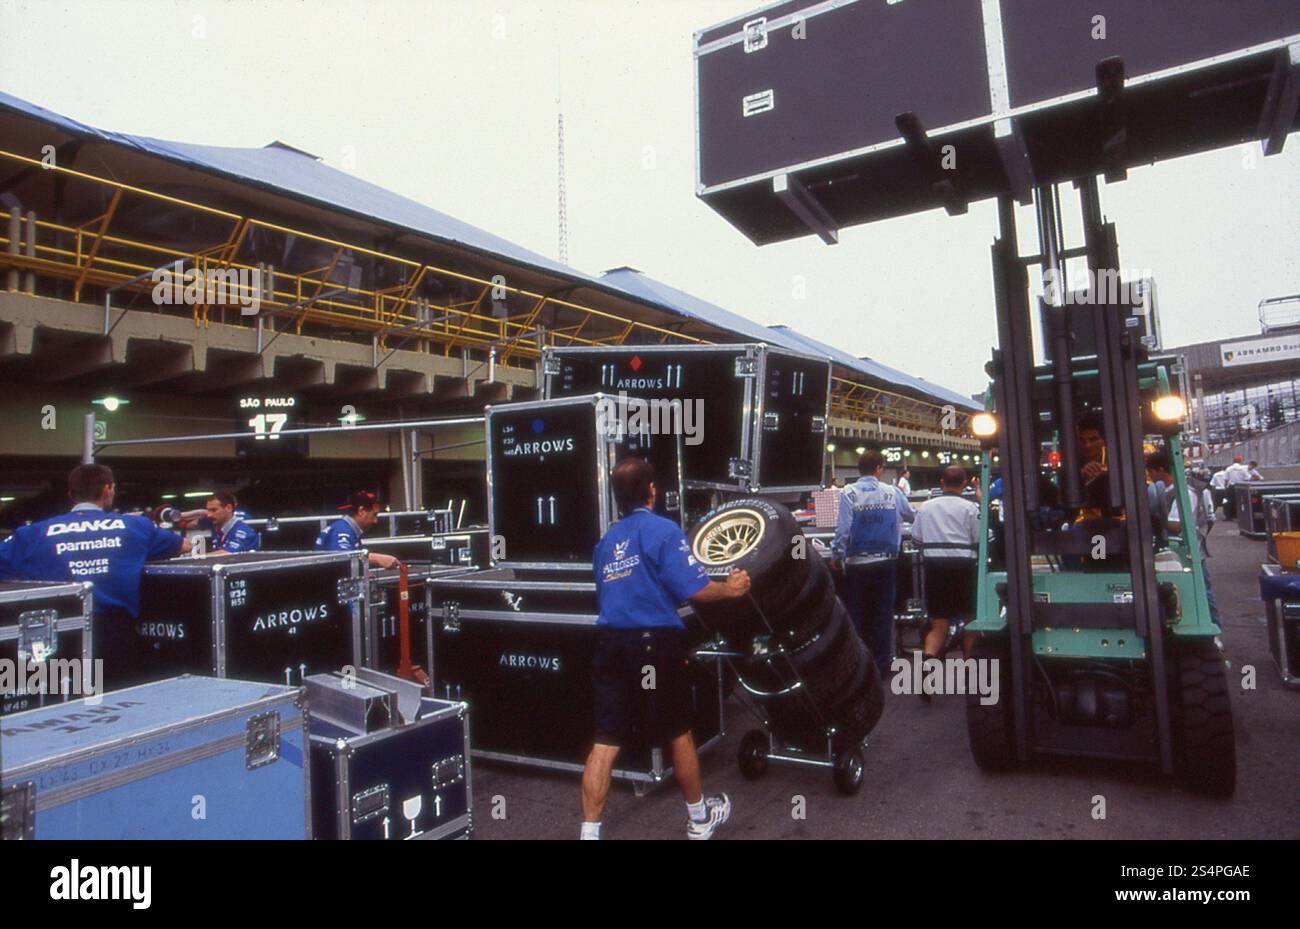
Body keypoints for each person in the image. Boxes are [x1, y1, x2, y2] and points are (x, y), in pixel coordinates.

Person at [580, 458, 750, 841]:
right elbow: (696, 589)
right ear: (652, 491)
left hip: (611, 645)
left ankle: (589, 834)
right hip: (654, 646)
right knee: (678, 732)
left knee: (605, 742)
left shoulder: (605, 543)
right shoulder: (664, 531)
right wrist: (731, 588)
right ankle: (699, 819)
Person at [0, 464, 189, 688]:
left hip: (59, 641)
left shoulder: (32, 533)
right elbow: (184, 546)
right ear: (108, 490)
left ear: (71, 494)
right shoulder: (135, 526)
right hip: (117, 638)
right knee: (121, 701)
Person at [831, 449, 915, 677]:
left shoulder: (848, 492)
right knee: (882, 613)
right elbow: (910, 515)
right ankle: (881, 665)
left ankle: (856, 664)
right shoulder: (892, 492)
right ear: (879, 468)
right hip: (886, 563)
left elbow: (844, 529)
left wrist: (836, 554)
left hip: (857, 563)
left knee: (856, 613)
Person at [910, 466, 981, 701]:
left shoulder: (926, 507)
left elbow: (917, 538)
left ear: (941, 483)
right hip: (964, 568)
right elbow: (981, 538)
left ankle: (929, 660)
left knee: (938, 624)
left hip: (935, 568)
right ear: (964, 484)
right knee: (972, 620)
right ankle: (971, 676)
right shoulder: (971, 508)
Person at [1167, 472, 1221, 626]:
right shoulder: (1200, 490)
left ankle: (1211, 627)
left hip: (1185, 550)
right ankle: (1214, 627)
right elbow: (1211, 519)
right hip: (1195, 547)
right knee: (1204, 588)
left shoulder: (1184, 493)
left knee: (1201, 588)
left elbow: (1175, 525)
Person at [314, 491, 399, 569]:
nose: (375, 521)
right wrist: (377, 559)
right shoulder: (342, 531)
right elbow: (341, 556)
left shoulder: (344, 528)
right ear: (361, 511)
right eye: (374, 515)